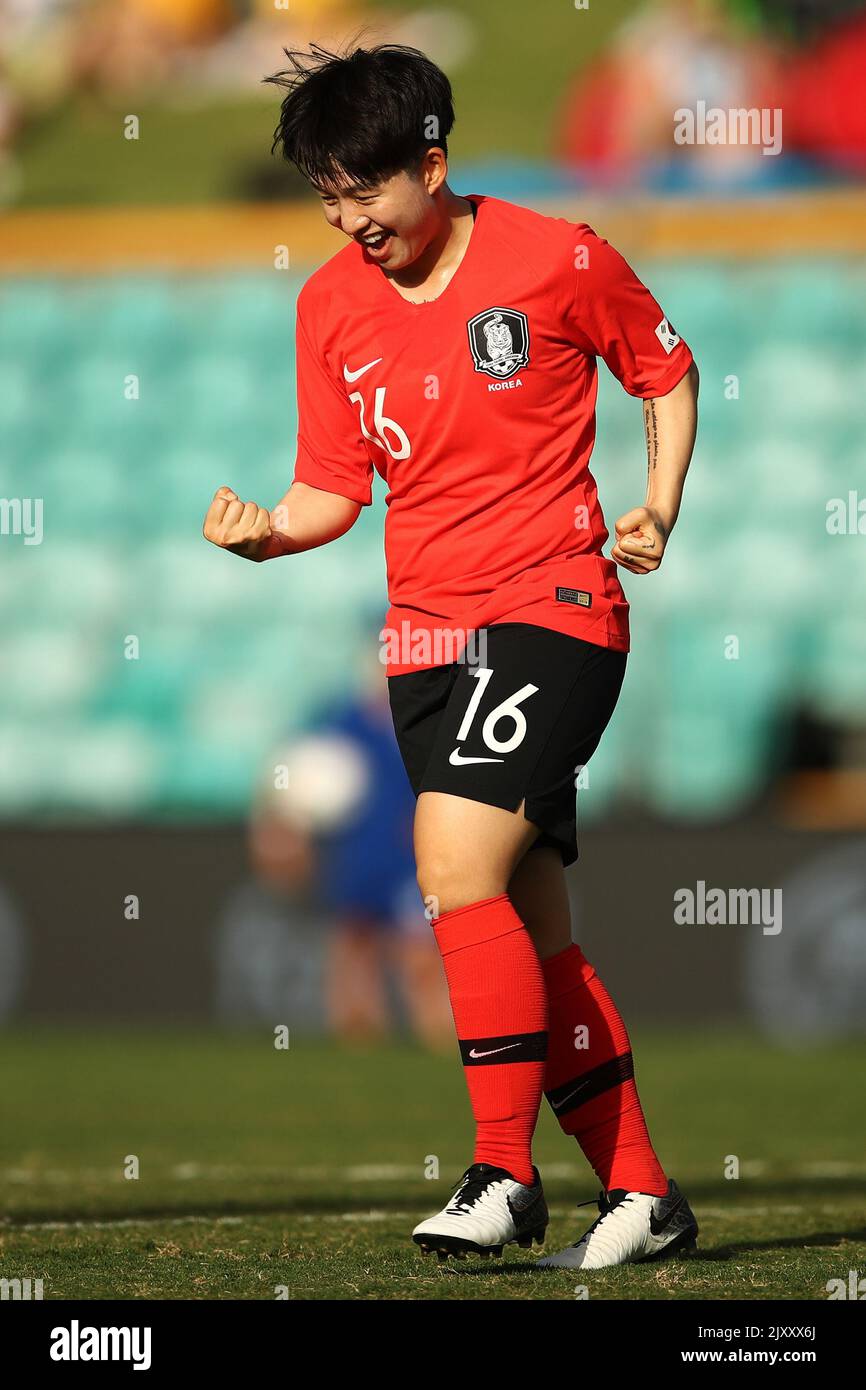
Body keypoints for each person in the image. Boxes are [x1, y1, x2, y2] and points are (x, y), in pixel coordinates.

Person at [203, 41, 700, 1270]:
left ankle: (500, 1173)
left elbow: (666, 370)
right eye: (327, 197)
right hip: (426, 638)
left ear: (431, 164)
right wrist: (269, 534)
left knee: (450, 859)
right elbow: (332, 487)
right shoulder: (329, 305)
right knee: (529, 935)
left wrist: (658, 503)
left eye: (365, 192)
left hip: (555, 605)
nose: (347, 220)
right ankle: (643, 1192)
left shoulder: (557, 257)